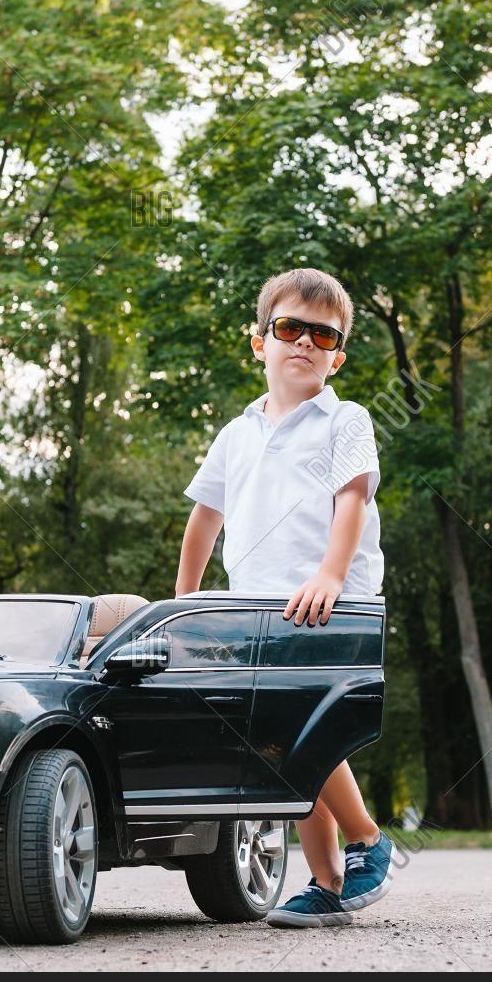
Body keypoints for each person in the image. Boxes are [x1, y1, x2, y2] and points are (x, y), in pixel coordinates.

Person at [173, 267, 394, 928]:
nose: (305, 342)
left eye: (323, 336)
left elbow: (351, 500)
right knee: (283, 746)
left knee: (301, 729)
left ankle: (366, 840)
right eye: (291, 327)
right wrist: (184, 601)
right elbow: (204, 519)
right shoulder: (236, 433)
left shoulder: (345, 420)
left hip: (328, 603)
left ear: (337, 358)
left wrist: (330, 575)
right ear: (259, 342)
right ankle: (327, 885)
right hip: (255, 608)